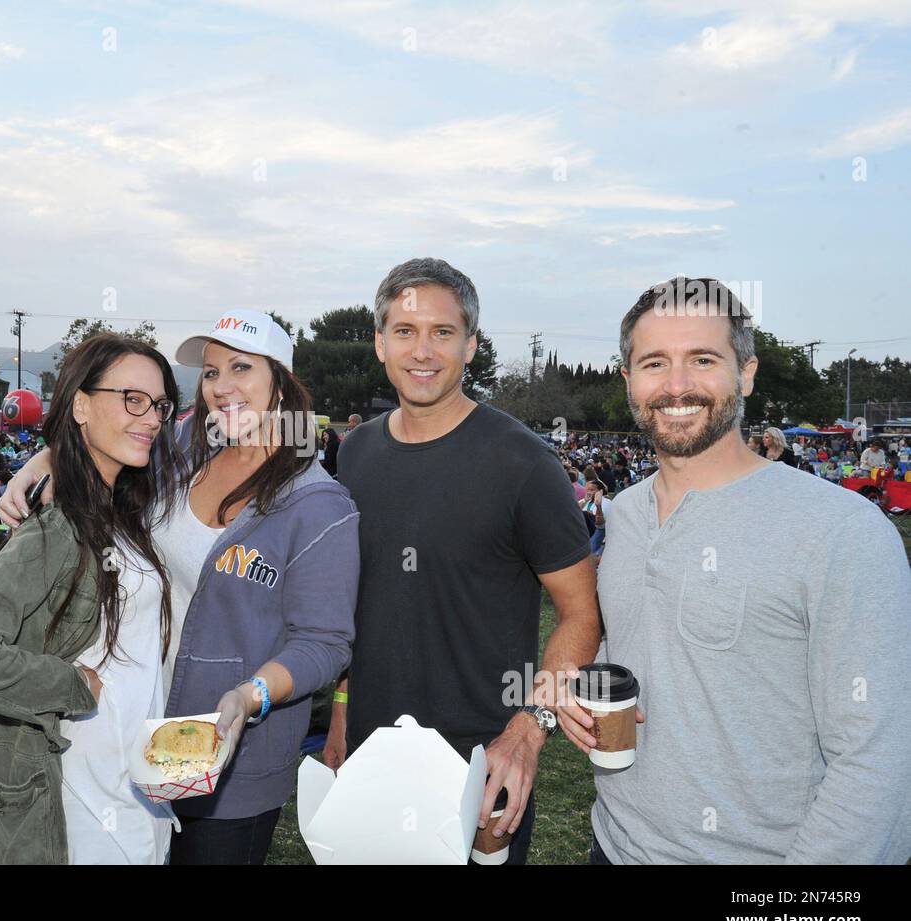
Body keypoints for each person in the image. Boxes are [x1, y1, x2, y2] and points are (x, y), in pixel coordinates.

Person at [3, 311, 360, 865]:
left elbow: (324, 642)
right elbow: (109, 436)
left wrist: (250, 696)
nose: (221, 387)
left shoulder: (318, 505)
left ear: (281, 384)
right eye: (211, 372)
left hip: (224, 754)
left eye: (241, 368)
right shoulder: (187, 446)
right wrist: (38, 462)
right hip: (126, 722)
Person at [578, 276, 911, 865]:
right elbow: (642, 647)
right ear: (630, 380)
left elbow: (878, 760)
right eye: (655, 363)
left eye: (703, 359)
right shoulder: (625, 514)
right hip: (613, 844)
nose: (677, 385)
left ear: (747, 373)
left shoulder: (842, 532)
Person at [328, 258, 599, 865]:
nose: (422, 351)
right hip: (374, 755)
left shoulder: (524, 463)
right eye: (404, 331)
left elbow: (581, 613)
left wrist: (528, 731)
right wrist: (343, 710)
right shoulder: (357, 453)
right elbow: (354, 597)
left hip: (482, 766)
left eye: (443, 333)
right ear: (379, 343)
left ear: (471, 344)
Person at [0, 334, 179, 865]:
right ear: (80, 404)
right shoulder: (56, 526)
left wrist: (44, 458)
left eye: (159, 404)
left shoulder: (124, 510)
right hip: (75, 786)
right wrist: (72, 684)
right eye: (131, 399)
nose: (150, 417)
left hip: (140, 780)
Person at [581, 478, 609, 556]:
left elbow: (602, 524)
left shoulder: (606, 503)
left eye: (592, 490)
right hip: (584, 534)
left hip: (596, 535)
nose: (589, 492)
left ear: (600, 491)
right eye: (587, 490)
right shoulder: (585, 501)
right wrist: (585, 500)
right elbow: (575, 511)